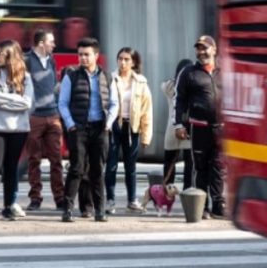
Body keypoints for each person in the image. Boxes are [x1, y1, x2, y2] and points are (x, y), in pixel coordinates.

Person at [58, 37, 118, 223]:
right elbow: (62, 103)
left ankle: (99, 211)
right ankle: (67, 210)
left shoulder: (107, 77)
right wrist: (70, 124)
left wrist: (108, 123)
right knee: (76, 169)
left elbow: (114, 103)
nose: (83, 58)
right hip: (79, 129)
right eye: (80, 55)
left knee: (97, 171)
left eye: (87, 54)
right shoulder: (71, 76)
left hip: (100, 128)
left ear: (96, 56)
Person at [0, 40, 34, 220]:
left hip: (18, 129)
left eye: (0, 53)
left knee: (11, 167)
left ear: (11, 55)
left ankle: (9, 206)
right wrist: (14, 99)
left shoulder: (25, 77)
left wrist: (2, 101)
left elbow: (27, 103)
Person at [174, 35, 225, 219]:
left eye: (205, 48)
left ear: (214, 50)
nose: (201, 52)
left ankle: (219, 205)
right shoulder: (188, 73)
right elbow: (179, 100)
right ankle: (202, 205)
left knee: (219, 166)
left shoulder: (224, 71)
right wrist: (179, 124)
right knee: (200, 166)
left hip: (221, 128)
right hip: (198, 127)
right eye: (198, 48)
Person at [105, 47, 153, 214]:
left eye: (126, 59)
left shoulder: (141, 82)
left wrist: (146, 136)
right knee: (111, 165)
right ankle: (110, 201)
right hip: (114, 125)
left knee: (131, 167)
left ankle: (132, 200)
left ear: (133, 62)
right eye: (120, 59)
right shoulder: (111, 79)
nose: (123, 62)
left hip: (132, 127)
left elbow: (146, 111)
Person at [24, 28, 65, 212]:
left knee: (57, 159)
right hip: (35, 117)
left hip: (53, 115)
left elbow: (54, 86)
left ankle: (60, 198)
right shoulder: (26, 60)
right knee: (34, 159)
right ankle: (35, 198)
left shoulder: (51, 60)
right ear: (41, 44)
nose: (54, 45)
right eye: (51, 42)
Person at [162, 59, 194, 189]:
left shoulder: (170, 87)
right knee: (189, 164)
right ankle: (188, 192)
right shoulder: (193, 88)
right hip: (188, 129)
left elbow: (163, 85)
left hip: (172, 128)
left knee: (169, 162)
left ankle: (167, 191)